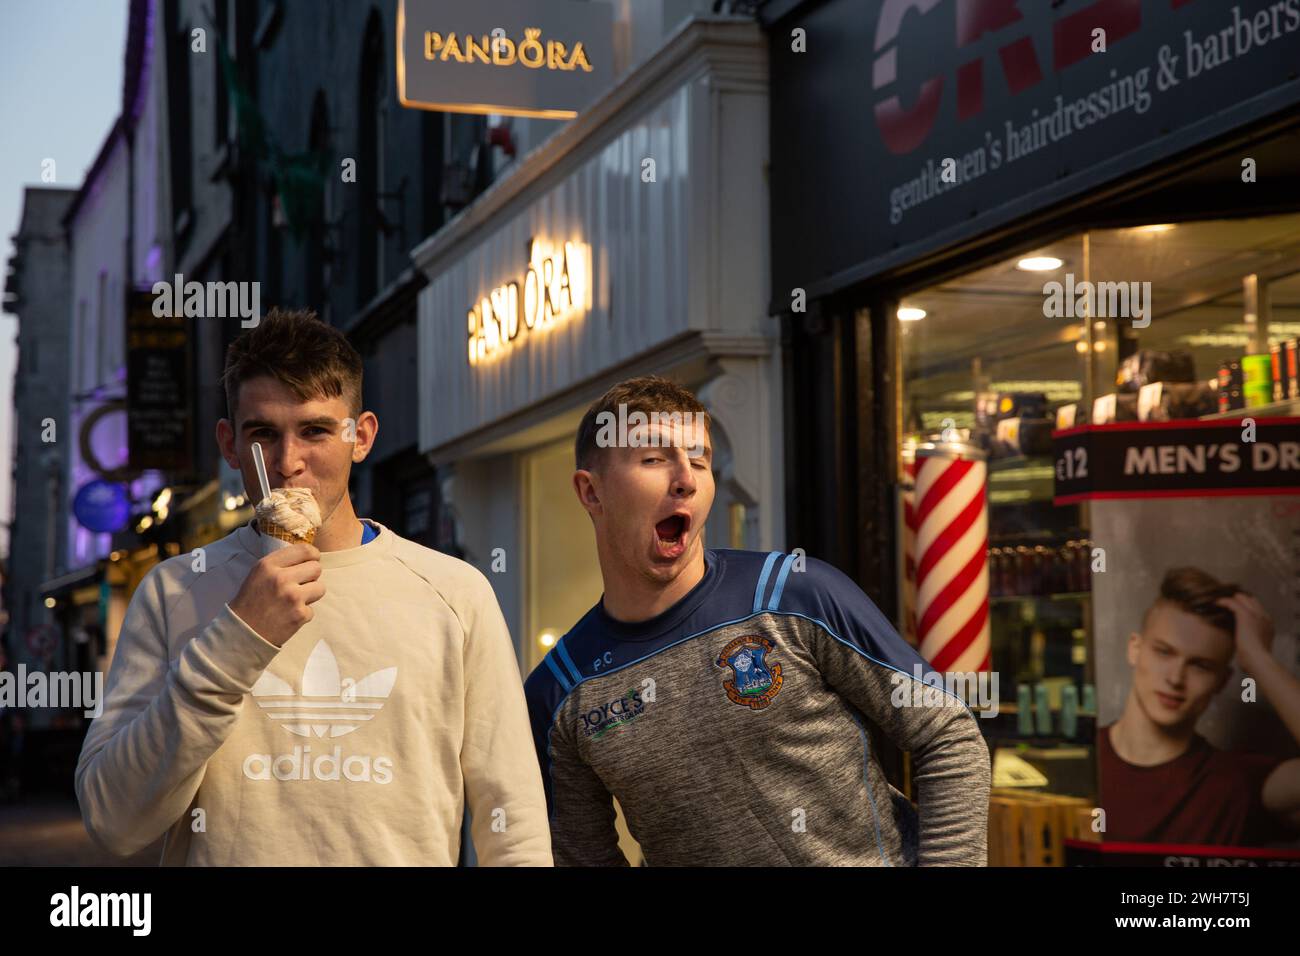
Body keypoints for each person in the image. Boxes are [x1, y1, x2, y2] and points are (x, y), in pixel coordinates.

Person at [76, 308, 551, 865]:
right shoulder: (175, 590)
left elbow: (512, 823)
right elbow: (114, 821)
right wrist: (235, 640)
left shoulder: (455, 592)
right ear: (230, 444)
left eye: (316, 430)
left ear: (361, 437)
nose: (287, 462)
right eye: (262, 434)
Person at [524, 376, 991, 866]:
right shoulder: (561, 690)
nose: (685, 478)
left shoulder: (794, 593)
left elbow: (947, 734)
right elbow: (581, 855)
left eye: (699, 460)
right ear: (591, 493)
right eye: (654, 459)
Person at [1100, 567, 1300, 845]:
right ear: (1135, 649)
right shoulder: (1082, 758)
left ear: (1222, 680)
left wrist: (1258, 659)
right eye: (1164, 651)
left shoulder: (1236, 784)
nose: (1175, 678)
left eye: (1200, 666)